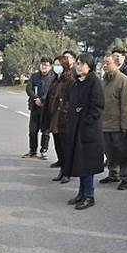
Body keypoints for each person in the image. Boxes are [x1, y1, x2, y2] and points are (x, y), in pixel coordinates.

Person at [63, 53, 105, 210]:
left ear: (90, 65)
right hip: (77, 129)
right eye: (77, 63)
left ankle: (89, 196)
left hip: (89, 131)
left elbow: (97, 107)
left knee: (87, 165)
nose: (78, 66)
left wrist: (83, 118)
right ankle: (81, 193)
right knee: (79, 163)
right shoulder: (77, 82)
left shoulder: (94, 82)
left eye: (82, 63)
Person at [99, 54, 127, 190]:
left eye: (107, 63)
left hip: (118, 125)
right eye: (104, 63)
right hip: (105, 123)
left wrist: (125, 125)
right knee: (109, 152)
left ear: (116, 64)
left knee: (123, 153)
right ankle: (113, 174)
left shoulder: (124, 81)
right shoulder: (104, 81)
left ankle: (126, 178)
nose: (105, 65)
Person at [42, 55, 75, 184]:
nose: (56, 67)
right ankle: (62, 170)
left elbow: (71, 100)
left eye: (58, 64)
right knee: (58, 146)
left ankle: (67, 172)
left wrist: (65, 112)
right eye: (55, 65)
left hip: (64, 119)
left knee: (65, 147)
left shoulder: (70, 81)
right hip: (54, 118)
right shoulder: (55, 80)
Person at [23, 57, 56, 159]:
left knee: (45, 131)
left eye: (46, 65)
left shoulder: (53, 78)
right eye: (42, 64)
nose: (43, 67)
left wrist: (42, 100)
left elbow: (52, 91)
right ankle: (33, 150)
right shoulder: (34, 76)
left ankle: (43, 150)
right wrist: (35, 98)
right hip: (35, 107)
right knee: (33, 131)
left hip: (46, 108)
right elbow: (29, 88)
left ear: (50, 66)